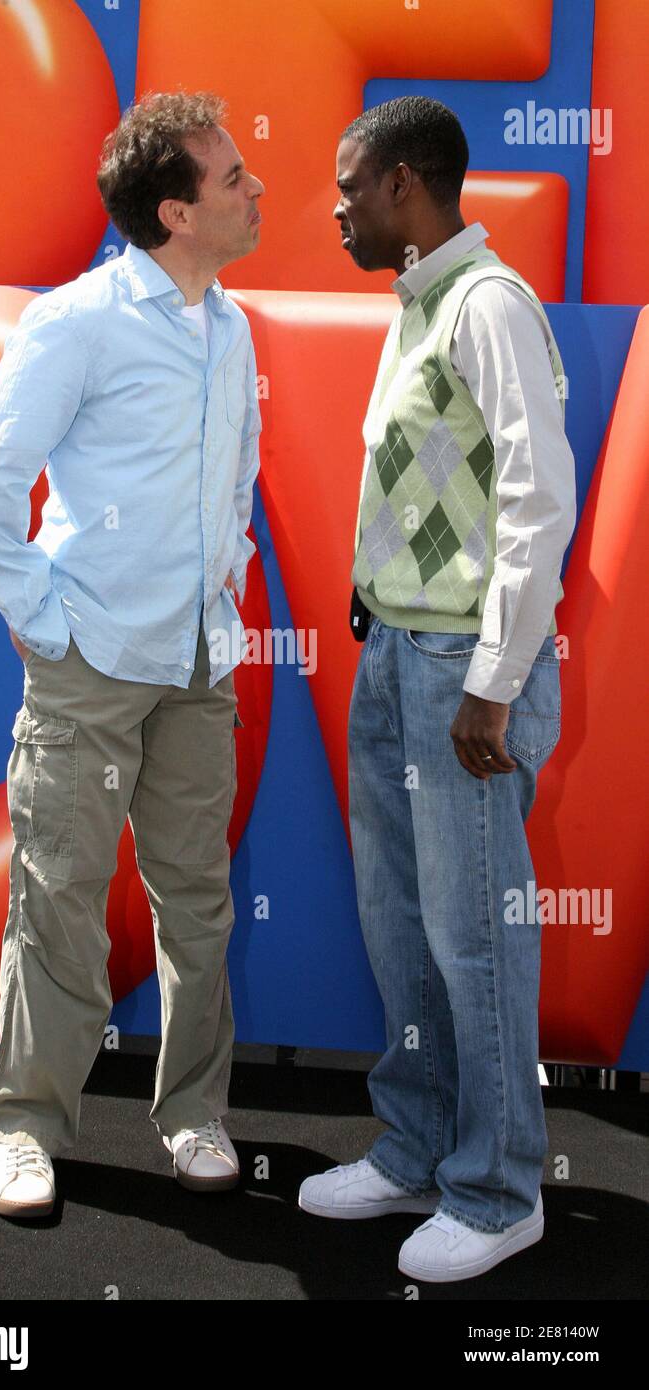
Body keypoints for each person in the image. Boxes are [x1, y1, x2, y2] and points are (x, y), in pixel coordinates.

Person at [0, 90, 264, 1216]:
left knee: (199, 901)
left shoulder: (231, 327)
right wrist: (47, 622)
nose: (253, 187)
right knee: (61, 894)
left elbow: (231, 485)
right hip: (89, 663)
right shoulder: (76, 320)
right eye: (231, 177)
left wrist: (220, 583)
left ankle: (191, 1116)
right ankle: (24, 1126)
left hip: (196, 665)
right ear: (176, 209)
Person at [299, 96, 577, 1282]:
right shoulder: (417, 306)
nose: (337, 207)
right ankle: (417, 1148)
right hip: (397, 658)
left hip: (464, 676)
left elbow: (536, 501)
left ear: (406, 186)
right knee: (405, 933)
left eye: (351, 186)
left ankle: (500, 1187)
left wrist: (492, 684)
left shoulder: (487, 306)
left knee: (474, 943)